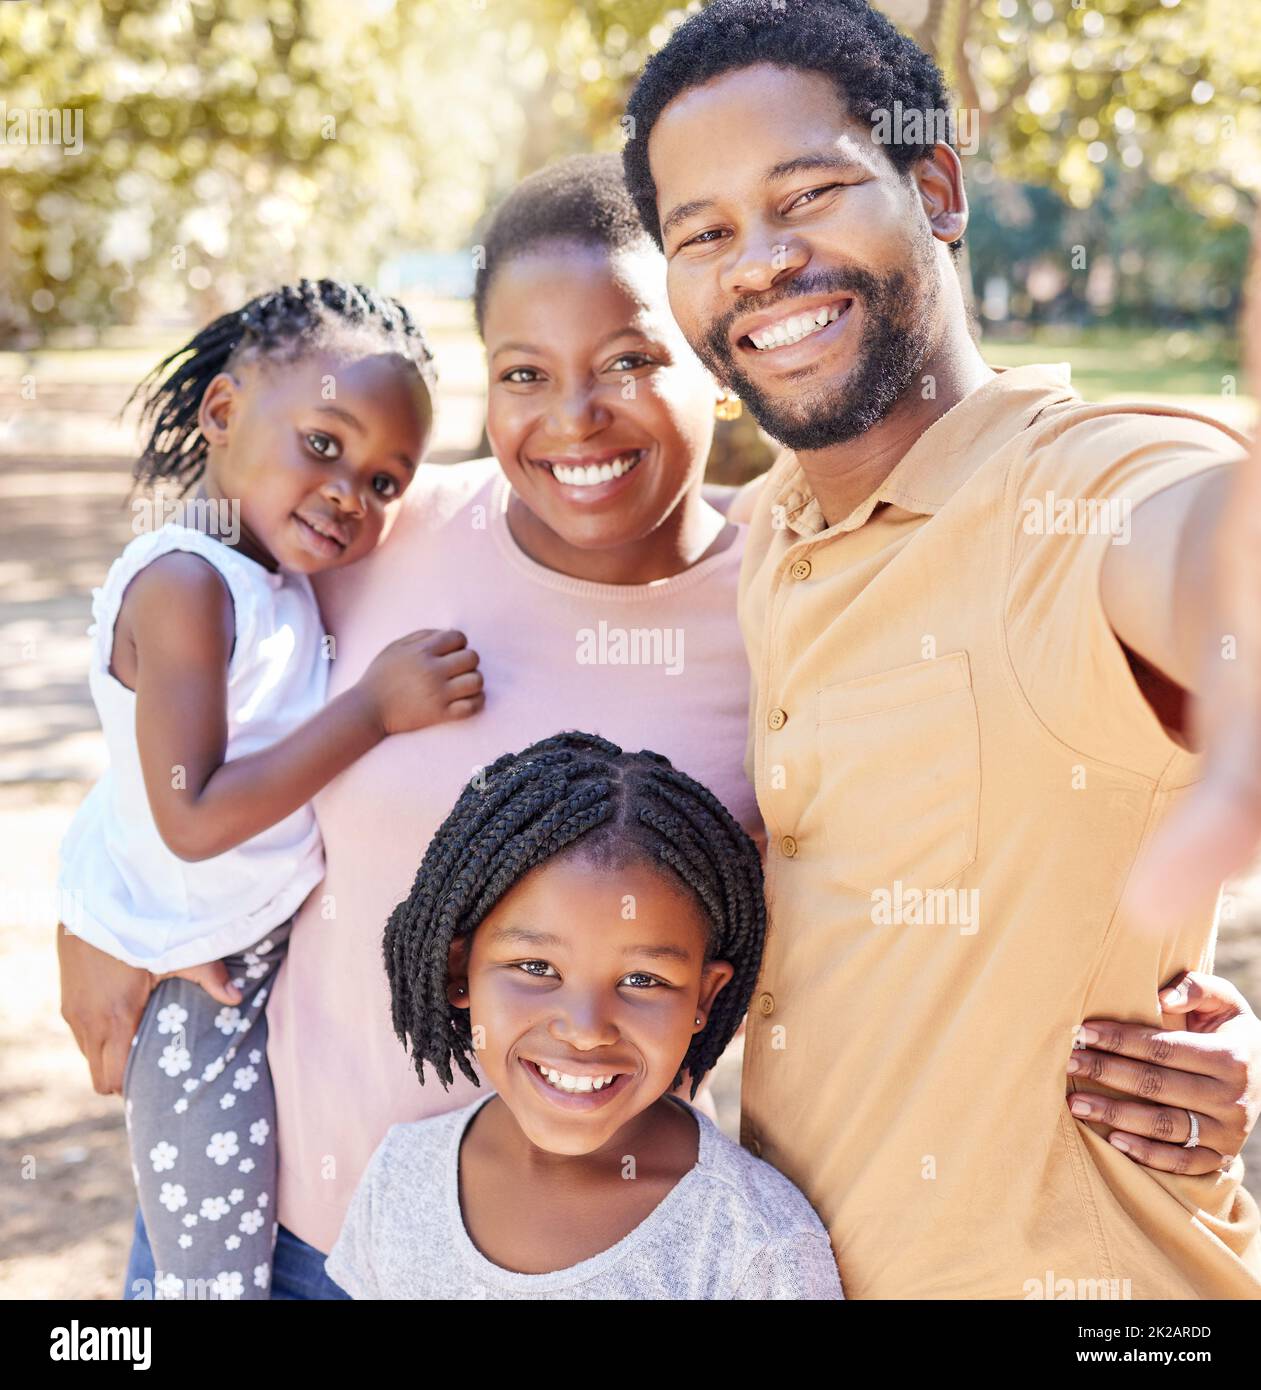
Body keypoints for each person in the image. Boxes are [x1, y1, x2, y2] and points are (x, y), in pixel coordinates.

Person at [59, 158, 1261, 1300]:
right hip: (278, 1238)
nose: (573, 419)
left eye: (630, 359)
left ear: (714, 364)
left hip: (606, 1265)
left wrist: (1189, 1022)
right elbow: (174, 707)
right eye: (523, 372)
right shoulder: (376, 535)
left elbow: (952, 852)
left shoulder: (795, 593)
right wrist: (105, 909)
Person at [622, 0, 1261, 1296]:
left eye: (808, 194)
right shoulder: (766, 540)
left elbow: (1203, 561)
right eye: (705, 233)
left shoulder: (1084, 492)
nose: (757, 263)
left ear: (937, 190)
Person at [56, 279, 484, 1299]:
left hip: (260, 959)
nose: (350, 493)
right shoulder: (186, 585)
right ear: (222, 411)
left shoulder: (272, 575)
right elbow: (188, 810)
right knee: (210, 1276)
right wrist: (373, 709)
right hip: (197, 981)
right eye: (326, 446)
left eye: (387, 482)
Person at [326, 732, 843, 1298]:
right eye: (535, 967)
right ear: (459, 972)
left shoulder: (755, 1248)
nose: (587, 1028)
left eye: (642, 980)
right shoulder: (402, 1177)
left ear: (704, 998)